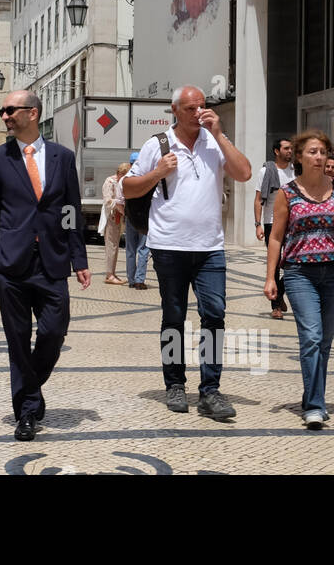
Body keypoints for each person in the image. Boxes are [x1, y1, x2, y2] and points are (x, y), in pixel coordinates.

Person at [122, 85, 252, 420]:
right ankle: (175, 384)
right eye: (191, 109)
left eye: (202, 107)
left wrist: (220, 135)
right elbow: (129, 187)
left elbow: (244, 173)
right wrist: (157, 173)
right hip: (168, 247)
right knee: (174, 318)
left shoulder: (214, 142)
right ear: (175, 111)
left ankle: (210, 390)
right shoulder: (158, 145)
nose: (198, 114)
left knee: (215, 316)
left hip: (210, 248)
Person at [0, 90, 91, 441]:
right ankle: (27, 412)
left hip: (52, 261)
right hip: (11, 264)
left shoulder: (62, 157)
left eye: (11, 110)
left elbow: (72, 211)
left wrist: (80, 259)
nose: (5, 116)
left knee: (53, 332)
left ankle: (29, 389)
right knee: (17, 339)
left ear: (32, 113)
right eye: (3, 111)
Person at [264, 129, 334, 429]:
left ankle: (312, 398)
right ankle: (315, 406)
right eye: (313, 152)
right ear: (300, 157)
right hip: (299, 273)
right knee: (312, 338)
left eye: (323, 152)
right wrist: (270, 278)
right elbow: (276, 238)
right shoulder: (287, 193)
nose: (319, 157)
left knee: (324, 342)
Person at [254, 138, 296, 319]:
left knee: (294, 262)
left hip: (293, 222)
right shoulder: (266, 171)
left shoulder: (296, 171)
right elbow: (258, 200)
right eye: (286, 148)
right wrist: (257, 224)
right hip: (272, 222)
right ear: (277, 151)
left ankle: (278, 294)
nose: (290, 151)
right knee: (276, 263)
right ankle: (276, 306)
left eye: (291, 149)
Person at [123, 150, 151, 290]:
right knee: (143, 249)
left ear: (130, 164)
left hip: (130, 218)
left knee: (130, 249)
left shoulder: (126, 179)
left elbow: (120, 200)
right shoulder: (148, 179)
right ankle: (139, 280)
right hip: (145, 219)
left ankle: (131, 279)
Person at [101, 162, 131, 285]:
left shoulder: (120, 182)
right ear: (120, 173)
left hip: (118, 216)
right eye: (124, 175)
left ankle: (112, 273)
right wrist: (120, 204)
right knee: (111, 246)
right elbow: (107, 200)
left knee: (115, 246)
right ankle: (109, 275)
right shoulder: (109, 182)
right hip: (111, 217)